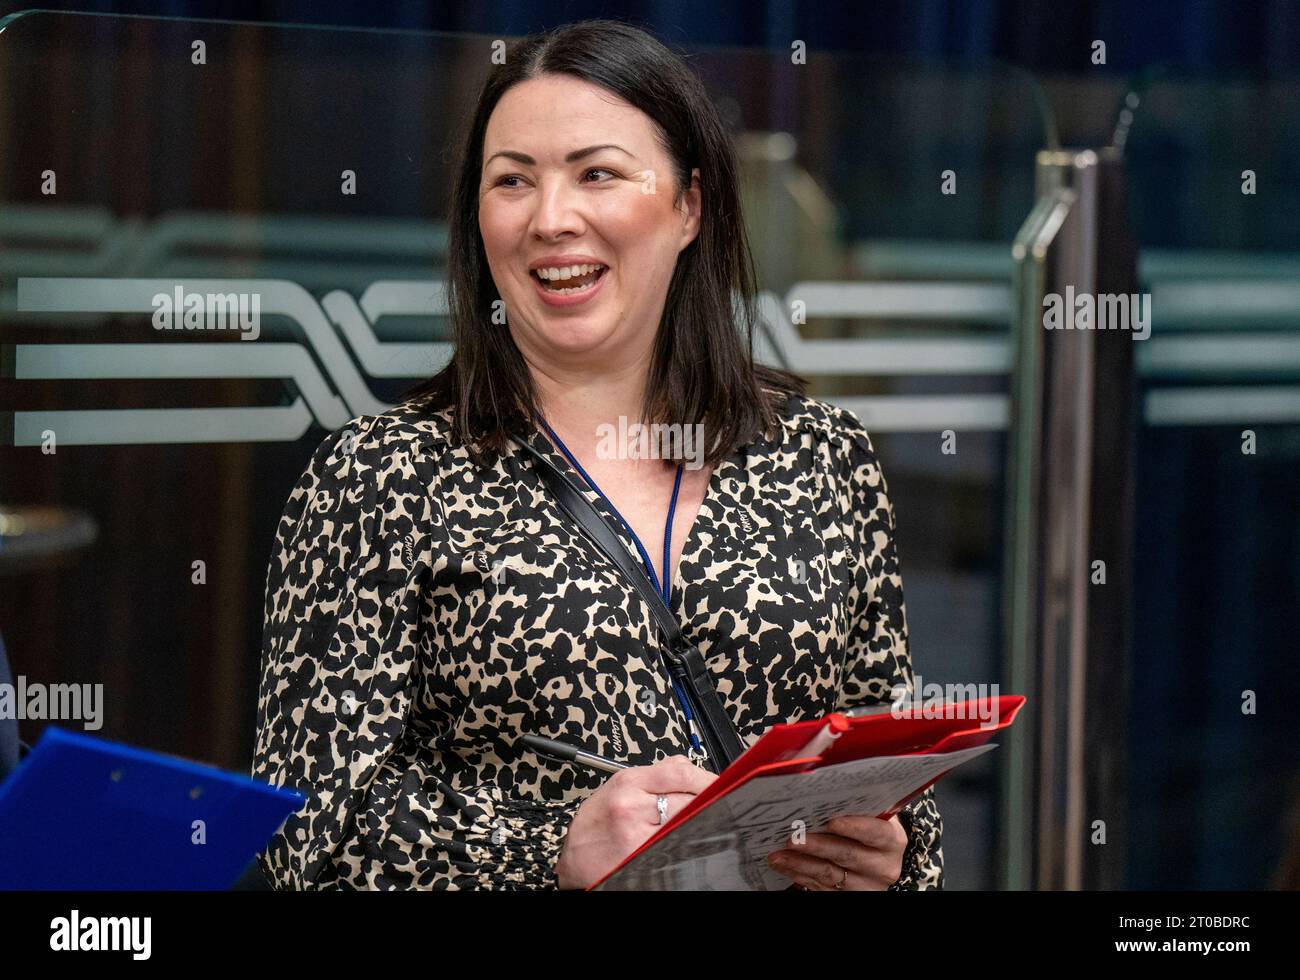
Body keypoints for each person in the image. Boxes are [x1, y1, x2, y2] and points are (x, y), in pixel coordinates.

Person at [252, 18, 942, 891]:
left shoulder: (822, 455)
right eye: (513, 182)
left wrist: (897, 857)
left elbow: (897, 772)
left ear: (689, 206)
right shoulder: (381, 476)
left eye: (597, 174)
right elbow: (308, 834)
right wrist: (551, 850)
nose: (551, 219)